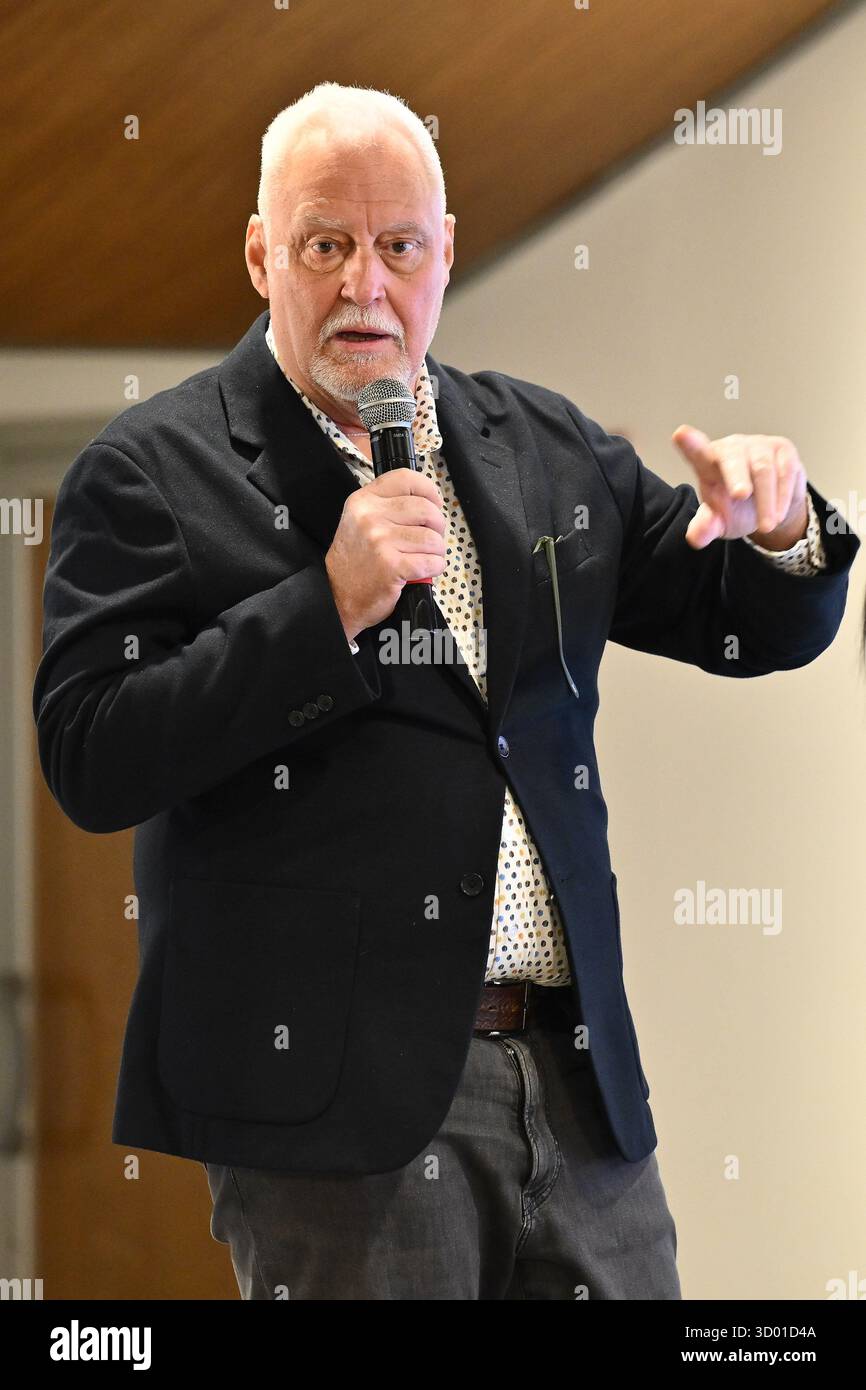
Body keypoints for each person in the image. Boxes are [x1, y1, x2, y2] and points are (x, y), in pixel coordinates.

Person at [33, 82, 860, 1301]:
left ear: (445, 253)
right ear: (263, 252)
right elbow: (91, 752)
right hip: (339, 1115)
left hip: (576, 1092)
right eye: (326, 244)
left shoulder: (539, 444)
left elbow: (738, 621)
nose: (365, 284)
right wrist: (326, 610)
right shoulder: (153, 470)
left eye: (398, 245)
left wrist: (780, 527)